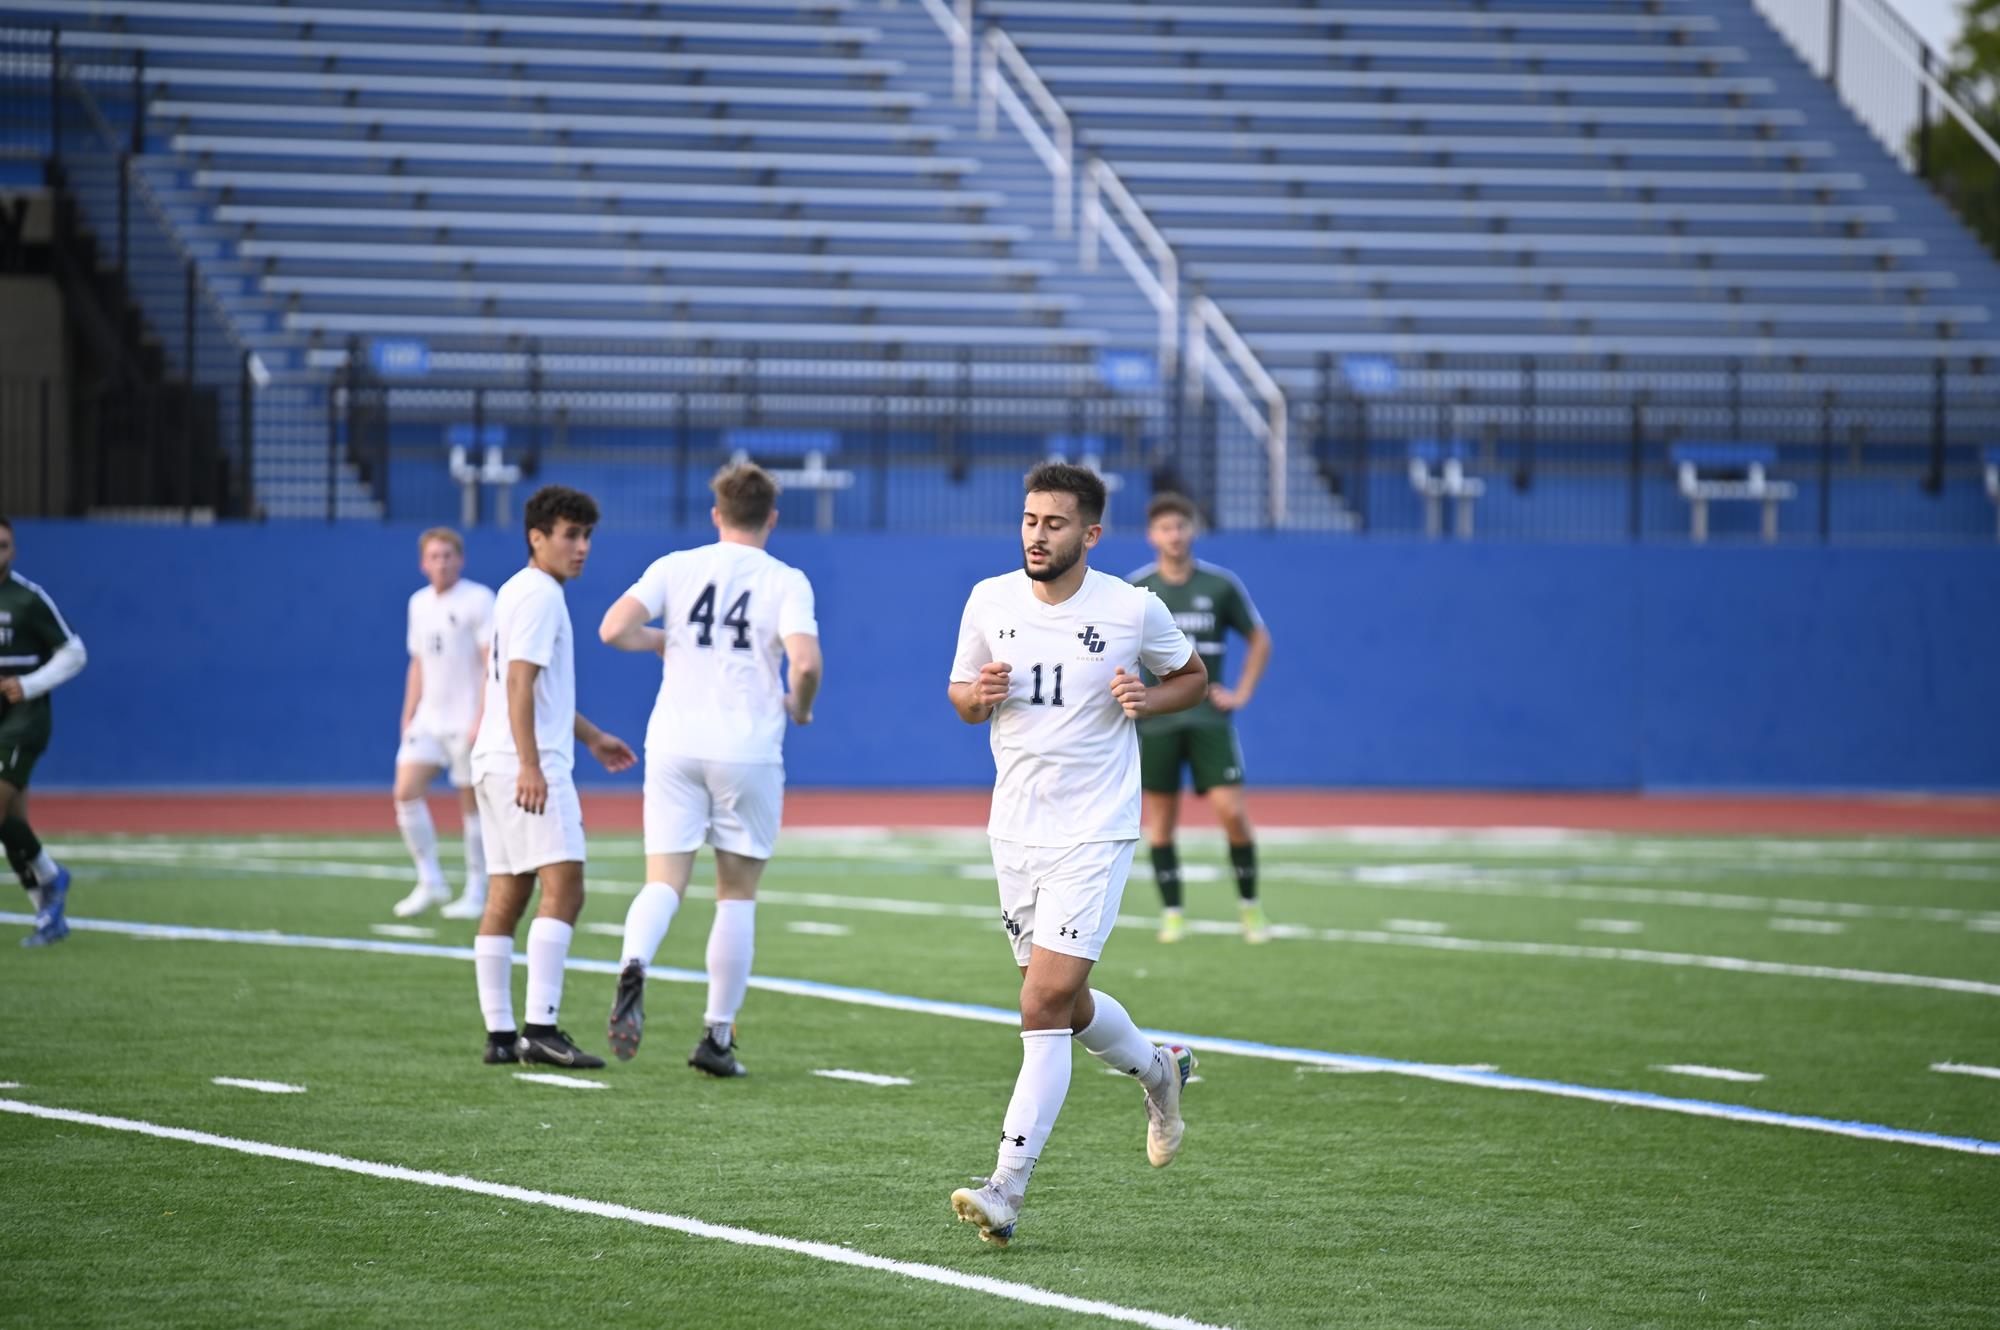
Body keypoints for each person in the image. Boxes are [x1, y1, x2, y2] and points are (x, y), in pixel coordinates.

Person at [943, 463, 1209, 1247]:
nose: (1036, 534)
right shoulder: (989, 600)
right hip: (1014, 829)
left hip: (1095, 831)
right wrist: (977, 698)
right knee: (1062, 1001)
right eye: (1029, 520)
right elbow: (959, 696)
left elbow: (1191, 678)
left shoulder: (1132, 609)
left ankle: (1006, 1187)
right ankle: (1160, 1071)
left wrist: (1149, 699)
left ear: (1090, 534)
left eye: (1054, 524)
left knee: (1041, 1006)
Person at [598, 462, 821, 1078]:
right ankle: (716, 1036)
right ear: (771, 518)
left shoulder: (677, 565)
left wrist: (663, 640)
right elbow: (803, 664)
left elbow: (614, 628)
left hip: (673, 742)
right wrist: (799, 710)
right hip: (745, 748)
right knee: (736, 894)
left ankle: (635, 959)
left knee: (664, 881)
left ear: (716, 514)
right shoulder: (786, 579)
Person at [469, 486, 636, 1068]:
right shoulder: (541, 596)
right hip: (523, 763)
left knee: (508, 893)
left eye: (587, 535)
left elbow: (533, 689)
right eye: (570, 534)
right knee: (565, 886)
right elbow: (519, 684)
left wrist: (590, 737)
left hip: (493, 760)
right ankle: (540, 1028)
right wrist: (534, 764)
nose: (582, 546)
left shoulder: (518, 590)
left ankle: (498, 1035)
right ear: (537, 538)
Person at [1126, 493, 1275, 944]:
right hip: (1157, 722)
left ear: (1193, 531)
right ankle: (1173, 913)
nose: (1174, 535)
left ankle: (1250, 908)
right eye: (1165, 528)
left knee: (1232, 814)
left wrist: (1242, 693)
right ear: (1152, 536)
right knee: (1161, 823)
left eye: (1182, 526)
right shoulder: (1137, 590)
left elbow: (1259, 639)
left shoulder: (1219, 585)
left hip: (1209, 719)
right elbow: (1118, 650)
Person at [390, 528, 496, 921]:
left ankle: (476, 888)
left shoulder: (479, 599)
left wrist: (482, 716)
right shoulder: (418, 604)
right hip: (428, 720)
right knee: (405, 791)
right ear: (423, 563)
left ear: (460, 559)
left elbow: (491, 661)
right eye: (434, 556)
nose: (442, 562)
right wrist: (408, 713)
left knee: (471, 806)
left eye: (448, 555)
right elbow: (417, 662)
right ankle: (430, 880)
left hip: (466, 718)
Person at [0, 517, 87, 948]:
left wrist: (28, 685)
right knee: (10, 822)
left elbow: (74, 653)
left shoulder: (28, 600)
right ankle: (48, 905)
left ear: (13, 551)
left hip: (23, 719)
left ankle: (50, 882)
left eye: (2, 546)